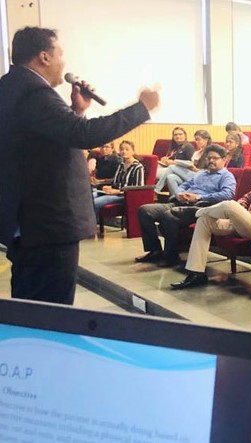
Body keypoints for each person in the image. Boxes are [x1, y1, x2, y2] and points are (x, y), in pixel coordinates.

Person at [0, 27, 158, 305]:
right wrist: (141, 109)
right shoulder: (33, 92)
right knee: (50, 312)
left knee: (32, 306)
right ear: (45, 57)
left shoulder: (12, 86)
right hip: (46, 224)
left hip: (29, 221)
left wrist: (77, 111)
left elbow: (44, 144)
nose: (64, 61)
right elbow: (84, 134)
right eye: (61, 54)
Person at [171, 145, 251, 290]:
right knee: (205, 221)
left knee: (229, 205)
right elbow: (246, 198)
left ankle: (194, 212)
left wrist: (247, 213)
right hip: (242, 222)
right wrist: (241, 209)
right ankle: (196, 273)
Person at [135, 144, 236, 267]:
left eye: (215, 158)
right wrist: (178, 193)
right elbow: (185, 184)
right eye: (209, 158)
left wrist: (199, 197)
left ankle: (171, 255)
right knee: (145, 210)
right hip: (181, 202)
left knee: (169, 216)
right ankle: (155, 250)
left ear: (224, 160)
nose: (211, 161)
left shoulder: (227, 176)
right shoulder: (202, 173)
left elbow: (227, 194)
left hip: (201, 207)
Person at [92, 140, 144, 221]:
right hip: (114, 192)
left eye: (127, 149)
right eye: (122, 149)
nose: (124, 151)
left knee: (95, 202)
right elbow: (115, 182)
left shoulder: (138, 167)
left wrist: (117, 191)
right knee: (90, 197)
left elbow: (137, 189)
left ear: (133, 151)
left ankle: (91, 228)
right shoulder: (121, 165)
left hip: (124, 195)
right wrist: (108, 187)